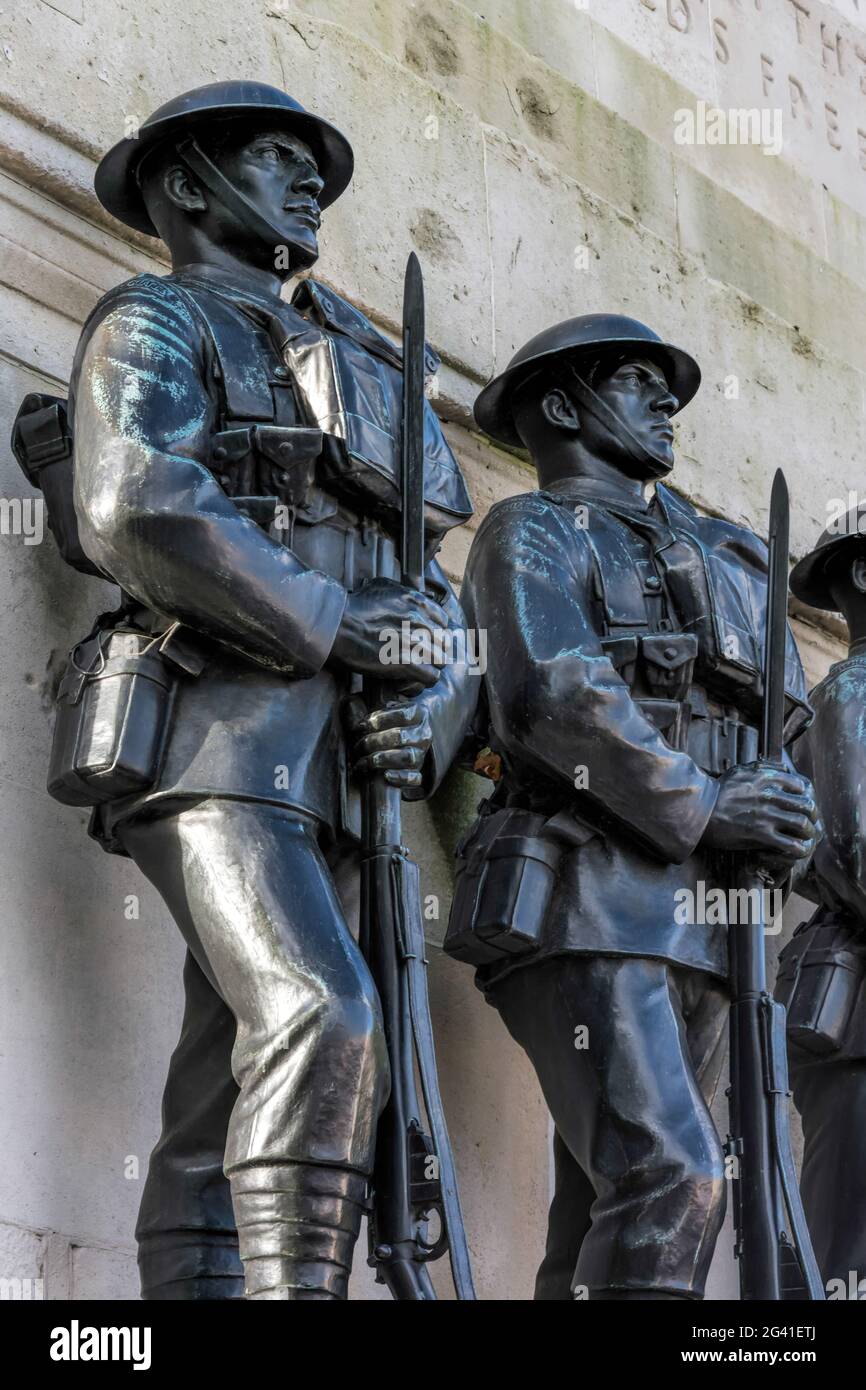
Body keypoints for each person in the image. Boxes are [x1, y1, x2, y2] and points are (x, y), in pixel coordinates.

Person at [67, 81, 475, 1300]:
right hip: (212, 739)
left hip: (346, 765)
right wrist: (341, 624)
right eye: (277, 157)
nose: (310, 183)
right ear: (188, 183)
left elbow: (438, 597)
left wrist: (431, 711)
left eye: (317, 165)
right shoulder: (157, 318)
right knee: (322, 1014)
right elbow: (133, 497)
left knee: (230, 1075)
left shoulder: (365, 367)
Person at [452, 314, 817, 1299]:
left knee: (610, 1213)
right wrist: (703, 803)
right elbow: (551, 695)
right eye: (635, 380)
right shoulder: (531, 528)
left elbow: (779, 727)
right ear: (563, 406)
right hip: (587, 902)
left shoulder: (719, 559)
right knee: (672, 1177)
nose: (666, 401)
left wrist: (785, 814)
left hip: (709, 923)